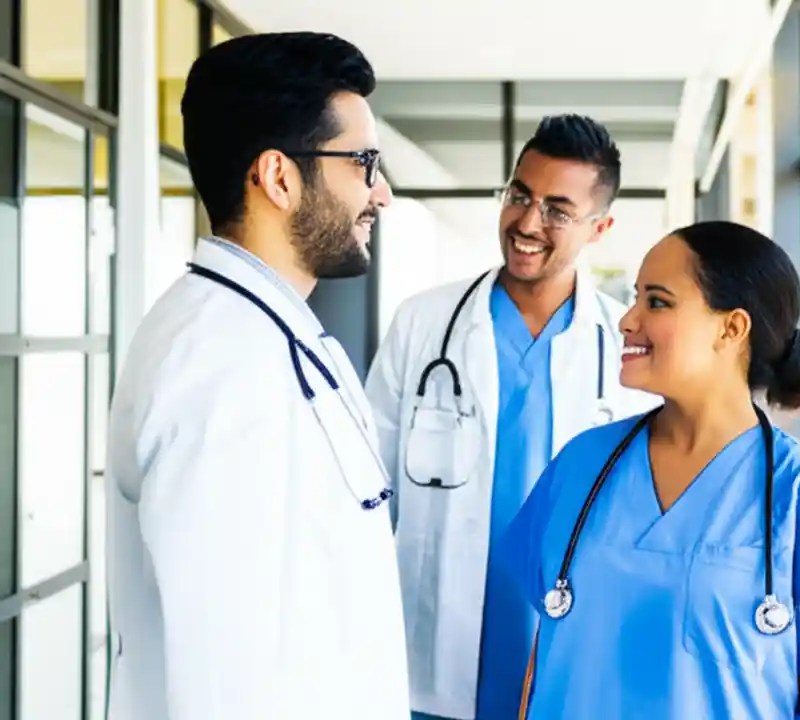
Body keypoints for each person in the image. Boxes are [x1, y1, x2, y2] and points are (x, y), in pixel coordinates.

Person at [104, 32, 409, 719]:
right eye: (364, 163)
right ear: (278, 177)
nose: (381, 193)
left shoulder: (270, 335)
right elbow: (224, 674)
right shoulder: (220, 366)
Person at [499, 220, 800, 719]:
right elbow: (542, 664)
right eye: (635, 298)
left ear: (731, 328)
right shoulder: (582, 467)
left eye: (657, 302)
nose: (627, 320)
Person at [364, 114, 659, 720]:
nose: (527, 223)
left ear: (600, 227)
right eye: (519, 196)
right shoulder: (423, 324)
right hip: (431, 668)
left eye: (558, 210)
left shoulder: (625, 347)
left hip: (570, 669)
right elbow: (368, 495)